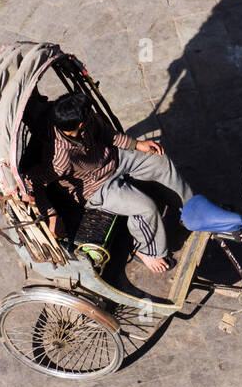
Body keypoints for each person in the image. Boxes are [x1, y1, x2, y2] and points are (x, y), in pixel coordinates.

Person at [24, 91, 193, 273]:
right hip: (96, 187)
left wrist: (137, 145)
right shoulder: (59, 159)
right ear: (80, 124)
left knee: (159, 160)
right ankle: (146, 250)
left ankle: (189, 209)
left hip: (113, 158)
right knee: (145, 208)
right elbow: (33, 182)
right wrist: (52, 215)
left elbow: (107, 133)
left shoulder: (85, 119)